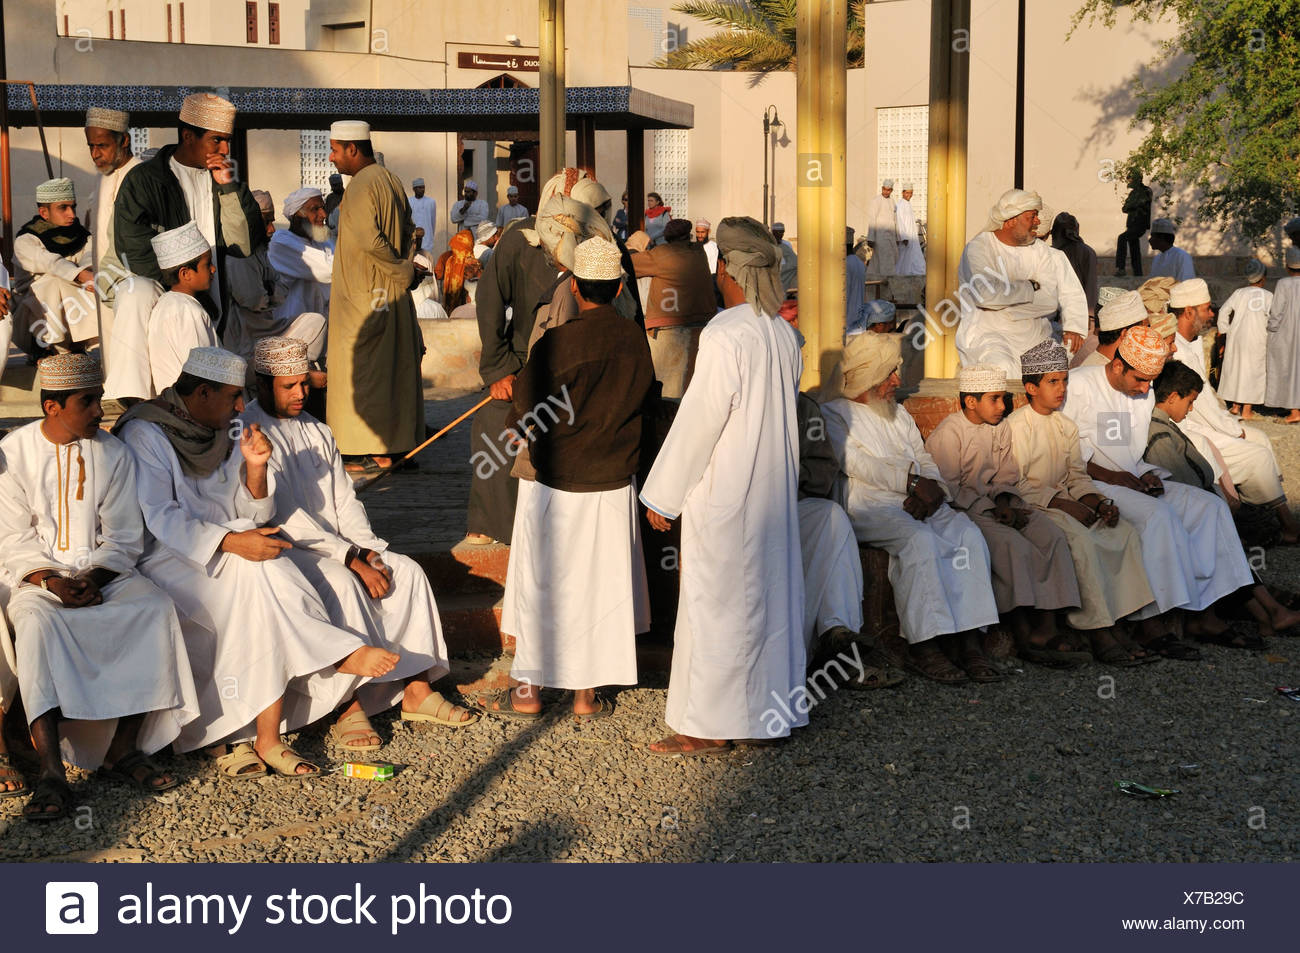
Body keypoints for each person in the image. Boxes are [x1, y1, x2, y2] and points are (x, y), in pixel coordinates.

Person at [116, 346, 400, 777]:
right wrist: (231, 542)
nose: (238, 407)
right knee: (258, 574)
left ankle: (264, 736)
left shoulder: (228, 429)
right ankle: (326, 661)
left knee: (266, 567)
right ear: (202, 393)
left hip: (227, 548)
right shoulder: (147, 434)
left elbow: (254, 515)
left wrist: (256, 469)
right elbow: (160, 518)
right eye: (231, 397)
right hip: (169, 557)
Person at [240, 337, 474, 741]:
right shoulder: (247, 432)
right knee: (345, 584)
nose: (301, 394)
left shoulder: (318, 430)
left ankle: (417, 689)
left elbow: (344, 500)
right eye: (289, 387)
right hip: (289, 552)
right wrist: (350, 557)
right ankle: (347, 706)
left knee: (408, 572)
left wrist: (371, 550)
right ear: (262, 385)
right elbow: (281, 517)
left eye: (304, 385)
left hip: (344, 548)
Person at [0, 353, 199, 820]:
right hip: (36, 578)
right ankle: (52, 772)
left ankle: (124, 749)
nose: (98, 411)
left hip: (104, 574)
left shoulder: (114, 452)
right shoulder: (15, 452)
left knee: (154, 610)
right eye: (88, 402)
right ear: (53, 406)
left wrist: (92, 578)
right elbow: (12, 539)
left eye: (98, 400)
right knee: (33, 626)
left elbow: (125, 537)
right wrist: (53, 582)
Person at [641, 216, 806, 753]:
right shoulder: (784, 334)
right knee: (770, 606)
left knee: (715, 608)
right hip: (773, 494)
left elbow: (700, 422)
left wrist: (662, 495)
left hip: (729, 495)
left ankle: (707, 727)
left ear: (728, 270)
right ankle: (766, 719)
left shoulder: (725, 333)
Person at [480, 237, 655, 721]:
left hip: (556, 485)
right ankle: (584, 696)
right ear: (619, 287)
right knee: (599, 586)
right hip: (613, 482)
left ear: (575, 287)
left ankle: (528, 692)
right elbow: (643, 403)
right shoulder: (634, 339)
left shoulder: (558, 342)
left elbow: (526, 413)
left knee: (545, 583)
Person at [1063, 326, 1254, 657]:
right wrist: (1114, 476)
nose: (1145, 388)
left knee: (1210, 507)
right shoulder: (1078, 385)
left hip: (1132, 478)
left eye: (1150, 380)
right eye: (1139, 379)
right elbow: (1063, 452)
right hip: (1088, 483)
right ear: (1119, 365)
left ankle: (1205, 612)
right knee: (1158, 517)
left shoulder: (1144, 392)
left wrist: (1148, 474)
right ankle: (1150, 624)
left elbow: (1129, 453)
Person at [822, 332, 1000, 684]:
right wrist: (910, 484)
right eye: (890, 373)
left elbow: (922, 457)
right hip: (868, 504)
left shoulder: (898, 413)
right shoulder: (833, 414)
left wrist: (933, 491)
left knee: (967, 535)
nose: (897, 381)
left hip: (918, 498)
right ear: (869, 374)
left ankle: (969, 641)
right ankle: (925, 646)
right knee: (919, 542)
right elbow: (854, 463)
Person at [925, 363, 1083, 669]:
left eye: (1003, 399)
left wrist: (1008, 503)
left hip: (1003, 505)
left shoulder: (999, 429)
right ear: (971, 401)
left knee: (1050, 535)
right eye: (994, 399)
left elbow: (1007, 475)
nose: (1002, 406)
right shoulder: (950, 433)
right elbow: (949, 488)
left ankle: (1048, 628)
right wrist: (993, 510)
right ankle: (1023, 636)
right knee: (1014, 547)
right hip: (967, 510)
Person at [1006, 341, 1155, 664]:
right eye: (1053, 382)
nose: (1061, 389)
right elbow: (1015, 485)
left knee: (1123, 533)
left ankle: (1119, 622)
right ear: (1031, 387)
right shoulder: (1016, 427)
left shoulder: (1065, 425)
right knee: (1082, 541)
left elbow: (1077, 476)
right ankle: (1097, 630)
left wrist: (1098, 503)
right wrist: (1064, 504)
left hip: (1066, 503)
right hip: (1035, 507)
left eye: (1064, 380)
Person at [108, 92, 263, 403]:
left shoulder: (227, 179)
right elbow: (132, 247)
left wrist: (228, 189)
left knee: (203, 389)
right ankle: (130, 398)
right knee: (135, 291)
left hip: (214, 293)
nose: (225, 149)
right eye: (217, 140)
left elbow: (245, 245)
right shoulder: (145, 180)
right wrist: (181, 289)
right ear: (188, 136)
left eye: (227, 141)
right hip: (166, 289)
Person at [467, 169, 595, 545]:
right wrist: (499, 370)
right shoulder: (518, 241)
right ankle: (492, 520)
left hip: (586, 364)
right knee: (494, 422)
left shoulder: (601, 242)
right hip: (524, 365)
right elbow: (490, 300)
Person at [1145, 359, 1300, 643]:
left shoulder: (1166, 426)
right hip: (1189, 514)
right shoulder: (1159, 433)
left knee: (1228, 541)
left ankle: (1269, 614)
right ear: (1172, 397)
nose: (1190, 409)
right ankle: (1269, 613)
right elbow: (1181, 484)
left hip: (1201, 510)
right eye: (1189, 402)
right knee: (1224, 543)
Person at [326, 120, 425, 473]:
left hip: (365, 298)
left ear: (353, 148)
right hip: (388, 294)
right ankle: (397, 446)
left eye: (336, 149)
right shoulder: (391, 180)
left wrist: (401, 272)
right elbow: (411, 230)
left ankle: (362, 448)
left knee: (362, 372)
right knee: (391, 370)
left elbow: (369, 241)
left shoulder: (359, 187)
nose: (332, 157)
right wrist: (405, 270)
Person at [1168, 278, 1300, 541]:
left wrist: (1230, 423)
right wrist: (1231, 428)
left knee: (1260, 438)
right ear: (1189, 311)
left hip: (1205, 419)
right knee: (1255, 455)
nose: (1211, 314)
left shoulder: (1190, 342)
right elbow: (1200, 404)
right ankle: (1287, 525)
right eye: (1206, 308)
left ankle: (1261, 513)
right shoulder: (1177, 349)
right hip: (1188, 425)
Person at [956, 188, 1087, 377]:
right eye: (1032, 216)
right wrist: (1029, 287)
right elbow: (985, 295)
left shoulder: (1043, 252)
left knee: (1053, 374)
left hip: (1038, 336)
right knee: (999, 368)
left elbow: (1050, 301)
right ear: (1010, 220)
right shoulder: (979, 248)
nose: (1037, 222)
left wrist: (1002, 306)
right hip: (990, 337)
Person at [630, 217, 716, 399]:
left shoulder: (661, 255)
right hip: (703, 327)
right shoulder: (699, 252)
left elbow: (628, 265)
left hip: (668, 332)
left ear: (667, 238)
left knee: (669, 391)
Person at [84, 107, 141, 378]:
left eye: (102, 145)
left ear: (124, 141)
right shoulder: (101, 176)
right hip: (104, 278)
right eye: (91, 146)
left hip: (131, 277)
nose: (95, 153)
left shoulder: (141, 176)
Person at [10, 178, 96, 357]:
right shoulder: (26, 241)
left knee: (95, 283)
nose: (71, 214)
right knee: (53, 281)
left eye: (73, 207)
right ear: (44, 212)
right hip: (31, 324)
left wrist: (89, 275)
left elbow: (90, 259)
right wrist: (81, 275)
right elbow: (50, 262)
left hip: (74, 319)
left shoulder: (82, 237)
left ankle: (75, 347)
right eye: (63, 208)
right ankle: (44, 349)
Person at [145, 222, 219, 394]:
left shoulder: (166, 304)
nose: (213, 269)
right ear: (185, 273)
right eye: (207, 264)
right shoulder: (188, 310)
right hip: (193, 405)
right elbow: (202, 371)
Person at [266, 187, 333, 365]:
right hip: (293, 333)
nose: (323, 214)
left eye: (323, 207)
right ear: (297, 216)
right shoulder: (281, 242)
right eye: (315, 209)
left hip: (322, 335)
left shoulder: (322, 241)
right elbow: (331, 270)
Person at [1218, 259, 1271, 419]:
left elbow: (1223, 311)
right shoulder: (1269, 296)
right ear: (1263, 278)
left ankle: (1235, 406)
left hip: (1237, 338)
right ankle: (1247, 410)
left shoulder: (1238, 293)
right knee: (1253, 372)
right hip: (1258, 338)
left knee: (1237, 370)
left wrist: (1225, 331)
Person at [1266, 246, 1300, 423]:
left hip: (1287, 335)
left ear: (1288, 267)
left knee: (1289, 369)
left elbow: (1276, 311)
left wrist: (1271, 329)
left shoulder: (1283, 284)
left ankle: (1294, 412)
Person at [1079, 289, 1148, 367]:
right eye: (1143, 330)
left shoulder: (1103, 363)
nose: (1147, 336)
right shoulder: (1106, 371)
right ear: (1125, 334)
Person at [1051, 211, 1098, 323]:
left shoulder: (1084, 252)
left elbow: (1090, 284)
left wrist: (1088, 315)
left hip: (1074, 313)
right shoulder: (1087, 251)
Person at [435, 229, 482, 313]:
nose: (455, 252)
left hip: (468, 308)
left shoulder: (473, 265)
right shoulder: (450, 260)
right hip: (450, 304)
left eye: (457, 249)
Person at [1115, 171, 1152, 277]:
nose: (1129, 181)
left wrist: (1133, 204)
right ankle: (1138, 272)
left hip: (1140, 224)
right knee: (1134, 248)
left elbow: (1141, 202)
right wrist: (1133, 205)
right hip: (1131, 224)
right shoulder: (1133, 193)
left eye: (1131, 179)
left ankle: (1121, 268)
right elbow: (1125, 208)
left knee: (1122, 238)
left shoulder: (1146, 191)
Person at [866, 179, 899, 279]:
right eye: (884, 189)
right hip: (880, 237)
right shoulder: (876, 201)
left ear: (891, 190)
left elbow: (895, 220)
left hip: (891, 236)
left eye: (888, 190)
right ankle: (886, 281)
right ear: (882, 188)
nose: (886, 192)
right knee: (885, 259)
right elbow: (872, 219)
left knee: (889, 258)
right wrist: (871, 238)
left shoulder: (892, 201)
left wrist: (897, 237)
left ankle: (875, 280)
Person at [894, 183, 925, 277]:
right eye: (907, 193)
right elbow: (899, 222)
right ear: (903, 193)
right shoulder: (900, 205)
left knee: (914, 258)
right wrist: (903, 237)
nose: (909, 195)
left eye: (911, 193)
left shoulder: (908, 204)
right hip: (905, 238)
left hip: (912, 238)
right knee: (903, 260)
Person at [844, 227, 866, 333]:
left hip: (846, 324)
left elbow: (844, 295)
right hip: (856, 322)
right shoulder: (858, 262)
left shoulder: (845, 264)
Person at [408, 177, 437, 253]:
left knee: (427, 262)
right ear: (414, 189)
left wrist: (431, 236)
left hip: (427, 239)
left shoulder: (431, 202)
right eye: (419, 188)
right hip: (413, 239)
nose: (422, 189)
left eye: (423, 187)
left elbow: (433, 222)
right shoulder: (409, 201)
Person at [771, 221, 798, 291]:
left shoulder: (786, 244)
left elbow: (792, 260)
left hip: (786, 270)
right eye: (779, 232)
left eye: (782, 232)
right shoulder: (768, 243)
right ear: (773, 232)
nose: (781, 234)